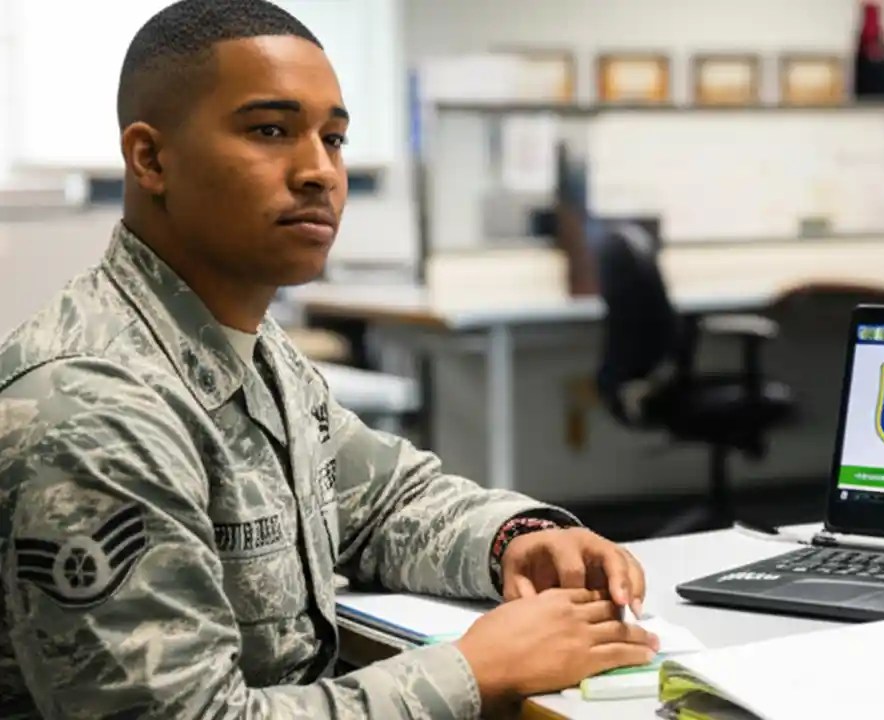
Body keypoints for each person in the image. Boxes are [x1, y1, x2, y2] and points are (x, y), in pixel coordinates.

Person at [0, 1, 658, 718]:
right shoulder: (95, 412)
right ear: (151, 158)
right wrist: (475, 671)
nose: (319, 171)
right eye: (270, 131)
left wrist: (519, 541)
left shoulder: (247, 348)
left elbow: (382, 501)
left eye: (335, 138)